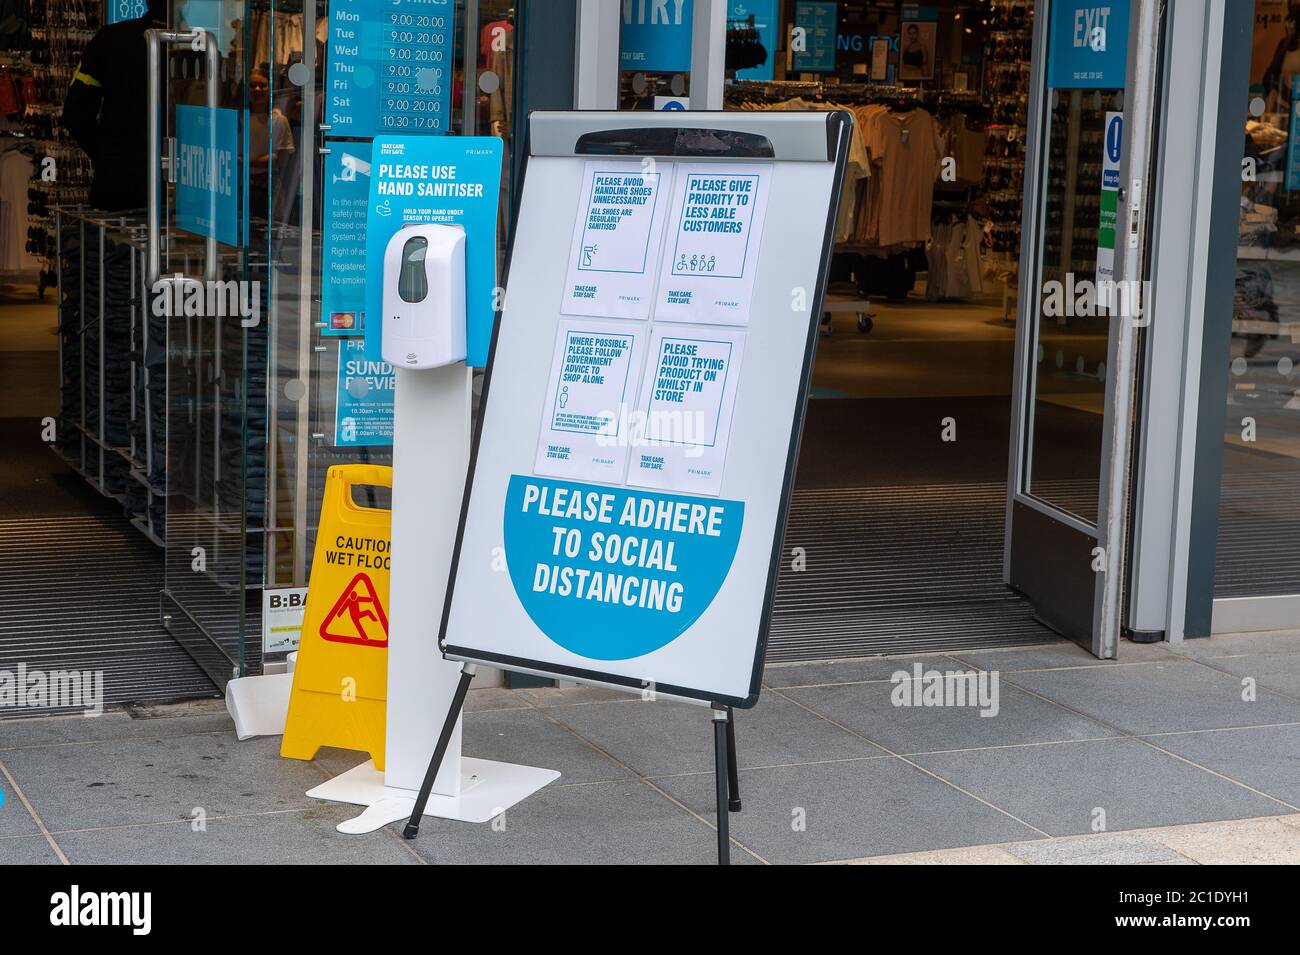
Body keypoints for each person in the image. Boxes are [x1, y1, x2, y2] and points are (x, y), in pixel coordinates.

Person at [60, 0, 167, 211]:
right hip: (183, 193)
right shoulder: (200, 47)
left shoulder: (109, 39)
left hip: (119, 187)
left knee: (110, 243)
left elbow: (75, 114)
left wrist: (110, 157)